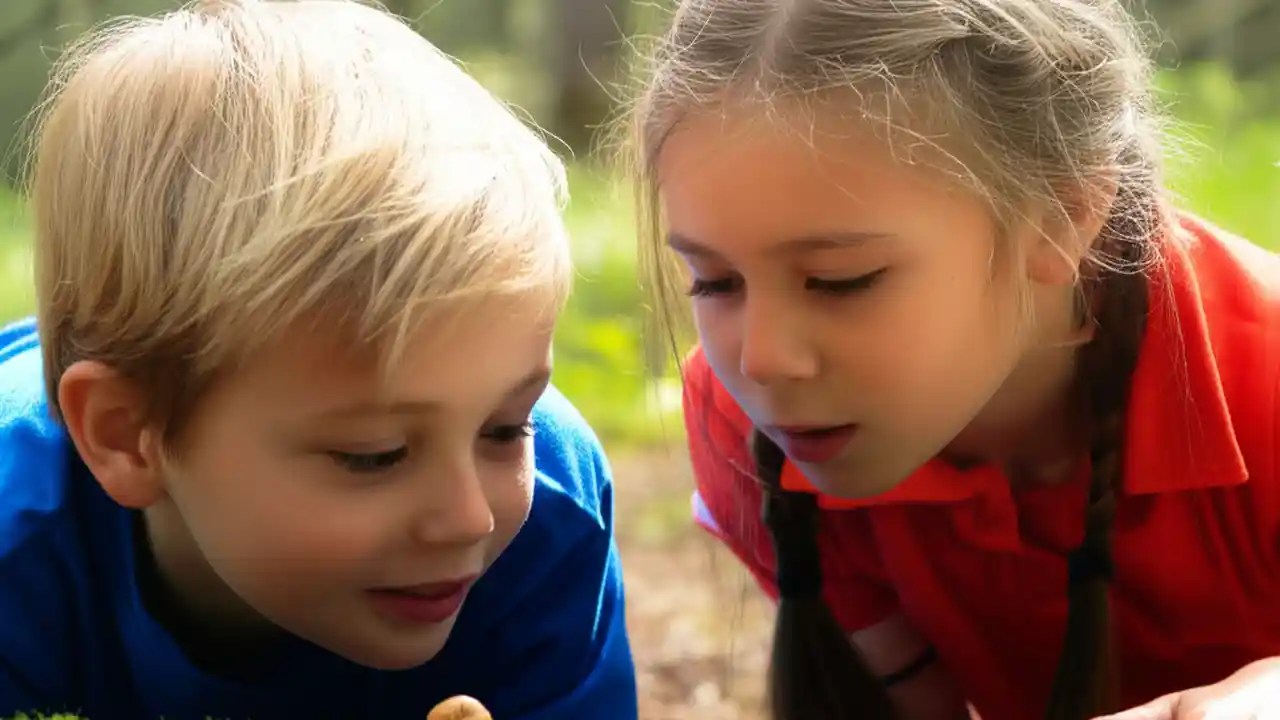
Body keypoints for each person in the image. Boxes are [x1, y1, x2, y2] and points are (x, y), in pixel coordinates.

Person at [628, 1, 1280, 719]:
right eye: (714, 282)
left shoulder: (1265, 380)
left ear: (1062, 219)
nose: (761, 359)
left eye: (841, 280)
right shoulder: (746, 426)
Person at [0, 1, 637, 718]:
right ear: (125, 434)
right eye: (376, 455)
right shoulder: (18, 545)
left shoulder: (552, 510)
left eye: (503, 428)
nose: (468, 519)